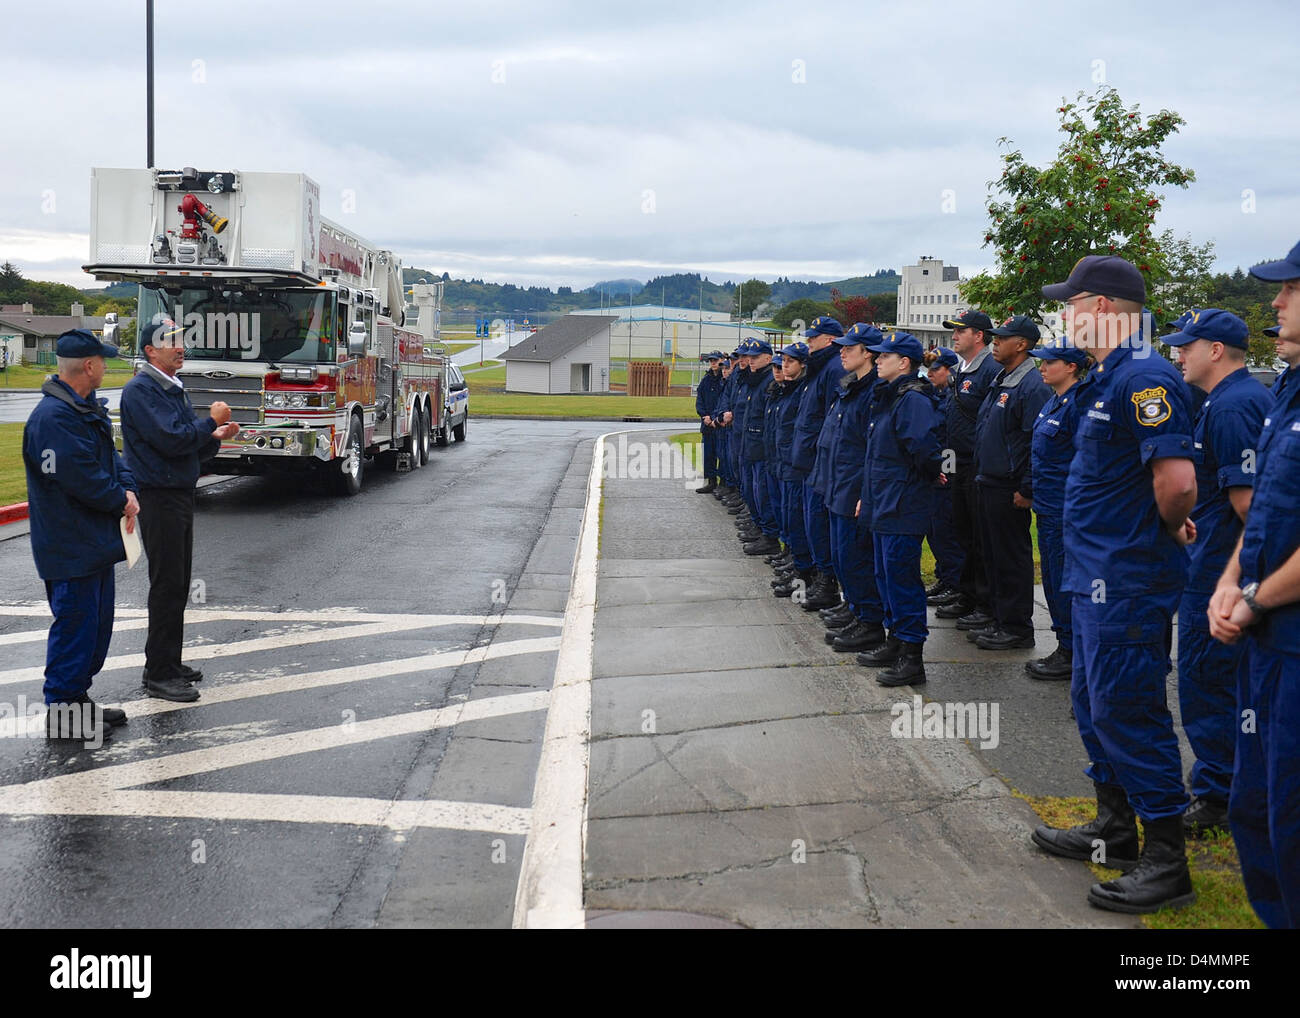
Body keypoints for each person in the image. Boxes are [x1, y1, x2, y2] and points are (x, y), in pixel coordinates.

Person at [1030, 255, 1198, 914]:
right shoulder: (1108, 377)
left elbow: (1178, 483)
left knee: (1129, 709)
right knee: (1093, 704)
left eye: (1070, 303)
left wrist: (1164, 528)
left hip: (1127, 578)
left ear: (1100, 308)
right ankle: (1115, 827)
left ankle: (1166, 860)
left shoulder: (1145, 377)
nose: (1065, 314)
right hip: (1092, 573)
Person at [1208, 241, 1300, 928]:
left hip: (1289, 638)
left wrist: (1256, 596)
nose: (1275, 303)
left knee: (1293, 817)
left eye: (1291, 290)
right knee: (1257, 805)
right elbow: (1263, 504)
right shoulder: (1289, 388)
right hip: (1266, 639)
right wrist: (1232, 577)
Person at [1162, 310, 1271, 839]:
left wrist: (1233, 579)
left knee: (1208, 680)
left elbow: (1253, 509)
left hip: (1218, 571)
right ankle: (1224, 785)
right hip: (1210, 560)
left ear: (1216, 351)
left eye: (1187, 346)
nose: (1178, 355)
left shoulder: (1233, 407)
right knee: (1214, 680)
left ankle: (1219, 795)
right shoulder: (1227, 401)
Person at [23, 329, 140, 741]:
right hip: (69, 544)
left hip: (91, 543)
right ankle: (62, 710)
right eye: (103, 361)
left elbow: (113, 458)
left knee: (94, 627)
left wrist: (127, 488)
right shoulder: (53, 418)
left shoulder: (83, 409)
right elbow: (81, 478)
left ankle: (77, 698)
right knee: (75, 626)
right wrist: (119, 500)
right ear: (88, 366)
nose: (106, 366)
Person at [120, 319, 241, 702]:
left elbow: (189, 445)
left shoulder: (171, 388)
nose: (179, 346)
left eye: (181, 339)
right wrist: (210, 422)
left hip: (177, 492)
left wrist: (215, 436)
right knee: (167, 583)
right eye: (170, 341)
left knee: (178, 582)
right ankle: (158, 673)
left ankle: (170, 662)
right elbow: (172, 440)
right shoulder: (142, 390)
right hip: (159, 494)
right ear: (150, 351)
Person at [857, 332, 944, 685]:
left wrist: (932, 474)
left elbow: (924, 450)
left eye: (884, 356)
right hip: (884, 501)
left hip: (903, 503)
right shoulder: (889, 396)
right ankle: (895, 642)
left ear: (904, 362)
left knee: (902, 579)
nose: (877, 360)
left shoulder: (912, 400)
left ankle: (912, 655)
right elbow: (878, 455)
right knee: (885, 576)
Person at [969, 316, 1051, 651]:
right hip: (988, 480)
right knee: (992, 556)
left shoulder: (1032, 385)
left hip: (1009, 486)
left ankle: (1017, 627)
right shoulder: (1004, 377)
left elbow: (1037, 442)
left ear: (1022, 344)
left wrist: (1027, 489)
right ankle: (1000, 617)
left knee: (1011, 558)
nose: (995, 342)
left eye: (1003, 338)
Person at [1023, 337, 1090, 680]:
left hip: (1066, 511)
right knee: (1051, 580)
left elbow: (1084, 460)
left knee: (1066, 583)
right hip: (1047, 508)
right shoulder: (1053, 403)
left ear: (1072, 367)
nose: (1042, 367)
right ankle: (1065, 643)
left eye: (1050, 362)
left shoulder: (1078, 405)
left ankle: (1072, 651)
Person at [818, 324, 887, 653]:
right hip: (837, 481)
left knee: (856, 556)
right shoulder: (850, 386)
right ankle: (856, 609)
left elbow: (872, 448)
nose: (842, 351)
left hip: (854, 486)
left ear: (869, 354)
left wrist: (864, 491)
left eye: (850, 348)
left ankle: (870, 622)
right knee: (842, 555)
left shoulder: (873, 391)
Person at [936, 309, 1001, 629]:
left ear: (979, 335)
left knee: (979, 537)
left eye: (961, 330)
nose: (954, 335)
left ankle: (985, 602)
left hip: (977, 464)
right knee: (959, 531)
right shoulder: (961, 368)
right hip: (956, 462)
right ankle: (966, 593)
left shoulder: (990, 369)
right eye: (954, 330)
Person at [791, 317, 847, 613]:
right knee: (812, 521)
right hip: (811, 458)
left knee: (820, 522)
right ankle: (820, 576)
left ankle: (827, 581)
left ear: (830, 339)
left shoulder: (833, 368)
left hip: (821, 459)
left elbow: (833, 420)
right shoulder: (819, 367)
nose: (809, 341)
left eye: (815, 337)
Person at [769, 343, 814, 597]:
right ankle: (796, 563)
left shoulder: (800, 391)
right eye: (783, 361)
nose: (784, 366)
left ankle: (803, 573)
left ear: (802, 365)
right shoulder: (785, 390)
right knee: (788, 515)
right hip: (784, 461)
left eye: (790, 361)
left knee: (797, 519)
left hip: (796, 465)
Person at [922, 347, 964, 606]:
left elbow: (950, 439)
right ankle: (944, 576)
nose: (930, 374)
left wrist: (944, 470)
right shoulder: (936, 395)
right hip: (936, 472)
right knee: (934, 531)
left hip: (948, 473)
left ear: (949, 370)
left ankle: (955, 582)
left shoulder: (954, 397)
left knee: (947, 531)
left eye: (936, 369)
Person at [736, 339, 780, 556]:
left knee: (762, 491)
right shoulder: (754, 379)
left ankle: (769, 535)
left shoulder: (768, 380)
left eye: (755, 357)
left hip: (761, 447)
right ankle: (761, 527)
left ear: (768, 358)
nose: (750, 361)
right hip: (750, 444)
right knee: (753, 488)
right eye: (749, 357)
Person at [695, 352, 725, 493]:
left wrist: (715, 418)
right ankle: (711, 481)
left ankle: (724, 483)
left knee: (723, 455)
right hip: (707, 424)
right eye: (711, 361)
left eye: (716, 360)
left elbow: (724, 401)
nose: (713, 363)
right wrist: (704, 416)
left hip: (720, 423)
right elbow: (699, 400)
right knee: (708, 454)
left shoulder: (724, 379)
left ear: (722, 360)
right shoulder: (706, 380)